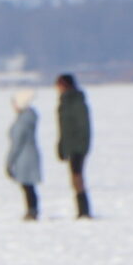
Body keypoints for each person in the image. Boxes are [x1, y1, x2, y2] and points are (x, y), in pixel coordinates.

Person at [55, 74, 93, 219]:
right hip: (71, 146)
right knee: (75, 177)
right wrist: (62, 146)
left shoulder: (76, 102)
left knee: (77, 177)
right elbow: (64, 128)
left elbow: (82, 126)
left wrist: (80, 146)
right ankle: (81, 210)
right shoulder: (64, 102)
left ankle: (84, 210)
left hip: (78, 147)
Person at [3, 88, 42, 220]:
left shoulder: (23, 120)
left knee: (27, 185)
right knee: (28, 186)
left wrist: (9, 162)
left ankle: (32, 211)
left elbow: (17, 143)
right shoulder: (27, 117)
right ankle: (32, 209)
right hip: (28, 155)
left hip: (24, 158)